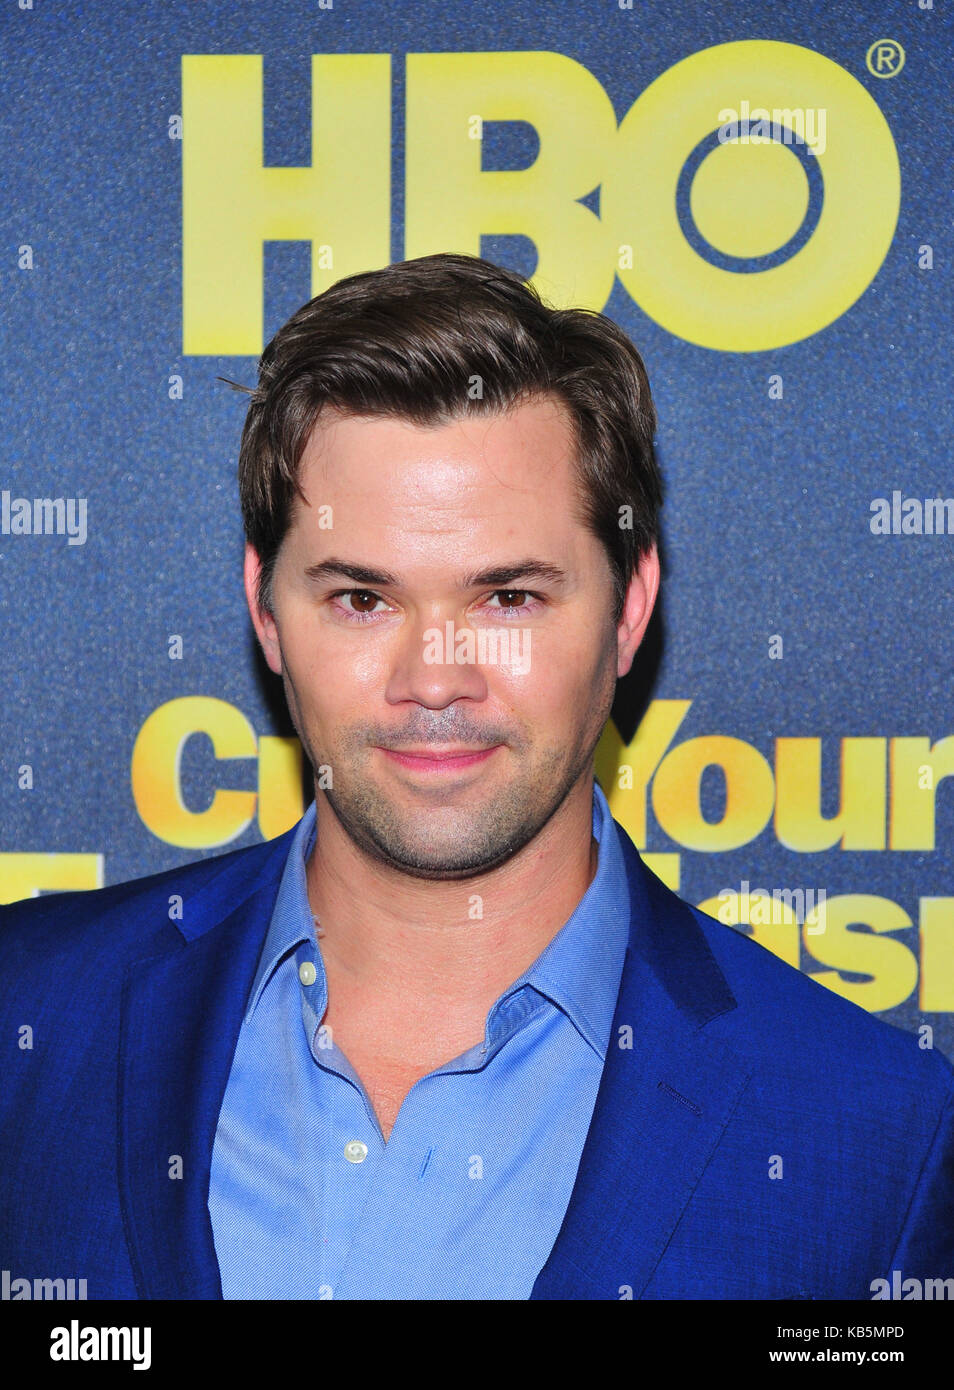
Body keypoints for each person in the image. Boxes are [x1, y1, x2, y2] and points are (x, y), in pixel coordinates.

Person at [1, 254, 952, 1301]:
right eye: (362, 599)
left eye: (509, 598)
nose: (434, 680)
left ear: (630, 608)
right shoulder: (28, 1019)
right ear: (266, 611)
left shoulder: (874, 1137)